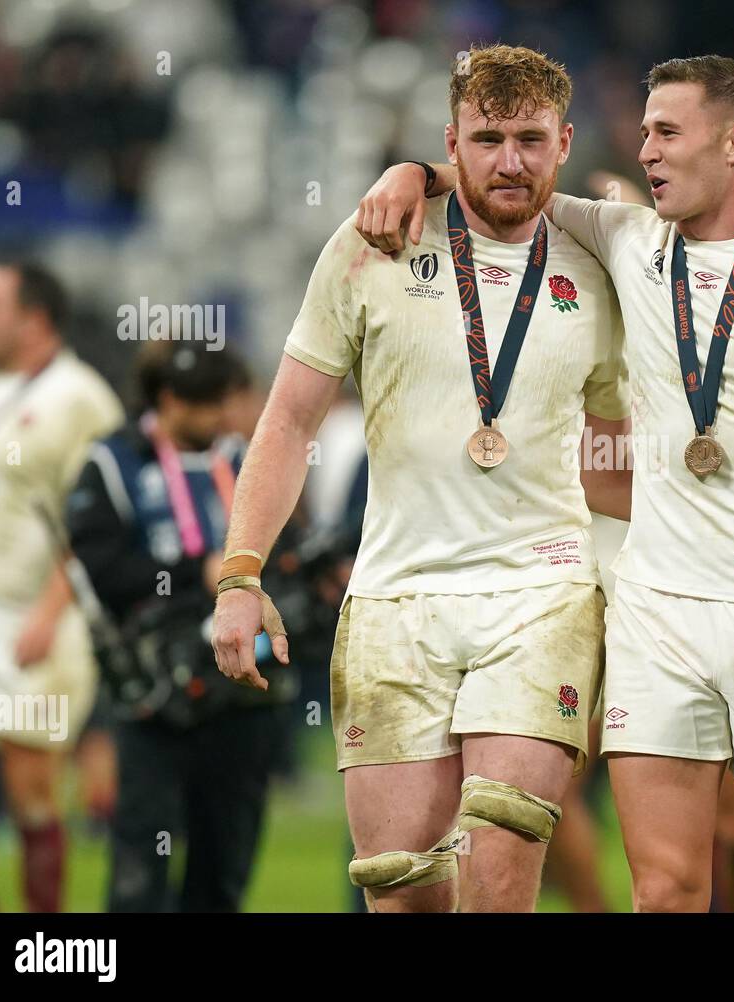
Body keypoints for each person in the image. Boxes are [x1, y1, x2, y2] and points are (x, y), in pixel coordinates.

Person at [356, 53, 734, 912]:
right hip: (655, 616)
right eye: (643, 132)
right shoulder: (629, 238)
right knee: (664, 892)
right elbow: (506, 178)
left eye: (667, 132)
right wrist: (407, 173)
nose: (645, 149)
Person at [212, 44, 631, 913]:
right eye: (485, 139)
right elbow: (287, 421)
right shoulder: (371, 241)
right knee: (401, 891)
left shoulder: (602, 261)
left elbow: (622, 446)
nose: (509, 161)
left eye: (530, 138)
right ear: (452, 142)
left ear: (564, 143)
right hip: (395, 596)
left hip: (541, 592)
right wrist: (240, 573)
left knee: (501, 859)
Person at [66, 341, 292, 911]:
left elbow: (286, 556)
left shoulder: (246, 459)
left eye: (224, 400)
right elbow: (104, 572)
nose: (220, 415)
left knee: (224, 858)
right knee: (142, 859)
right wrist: (198, 572)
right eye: (205, 403)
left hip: (242, 689)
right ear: (168, 400)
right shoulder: (113, 462)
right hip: (155, 694)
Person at [0, 261, 122, 912]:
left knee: (29, 791)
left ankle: (41, 936)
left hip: (41, 618)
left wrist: (49, 612)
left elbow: (95, 522)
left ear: (32, 319)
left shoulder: (81, 398)